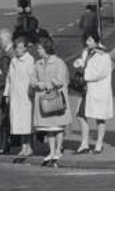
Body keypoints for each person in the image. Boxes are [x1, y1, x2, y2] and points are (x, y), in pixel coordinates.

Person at [32, 36, 70, 166]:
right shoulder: (37, 63)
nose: (38, 51)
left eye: (40, 48)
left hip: (56, 99)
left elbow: (61, 79)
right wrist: (38, 84)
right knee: (49, 128)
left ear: (47, 48)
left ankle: (58, 150)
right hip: (44, 101)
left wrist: (48, 84)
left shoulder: (59, 62)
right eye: (38, 48)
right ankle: (51, 151)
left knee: (58, 127)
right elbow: (32, 80)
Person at [73, 33, 113, 154]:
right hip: (87, 90)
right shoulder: (86, 52)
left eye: (90, 40)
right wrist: (79, 63)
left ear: (96, 41)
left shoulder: (103, 54)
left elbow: (100, 73)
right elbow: (85, 63)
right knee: (81, 115)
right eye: (86, 40)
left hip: (98, 90)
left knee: (100, 118)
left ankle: (99, 143)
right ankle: (84, 143)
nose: (87, 43)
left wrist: (84, 72)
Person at [5, 36, 35, 160]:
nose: (18, 50)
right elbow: (9, 79)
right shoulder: (13, 61)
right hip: (15, 96)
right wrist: (7, 94)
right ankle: (23, 146)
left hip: (26, 96)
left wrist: (32, 92)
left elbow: (32, 77)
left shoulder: (30, 60)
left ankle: (29, 146)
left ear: (25, 48)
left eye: (20, 48)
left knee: (27, 122)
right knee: (18, 123)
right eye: (16, 48)